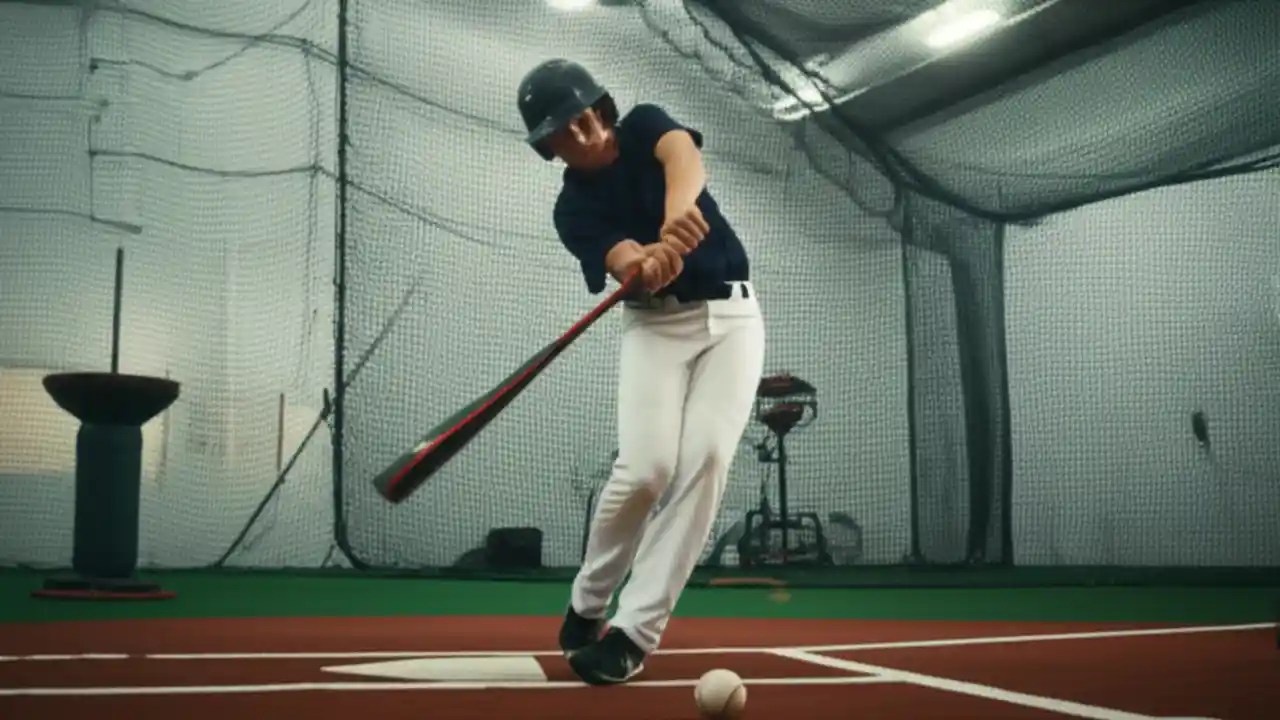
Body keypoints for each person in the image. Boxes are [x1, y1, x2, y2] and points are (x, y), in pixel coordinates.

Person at [516, 59, 766, 686]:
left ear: (599, 107)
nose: (582, 133)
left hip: (732, 321)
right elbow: (626, 261)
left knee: (705, 458)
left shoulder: (647, 123)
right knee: (646, 469)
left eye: (583, 117)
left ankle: (633, 634)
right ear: (550, 146)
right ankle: (588, 602)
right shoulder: (571, 211)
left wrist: (676, 220)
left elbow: (684, 160)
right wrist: (642, 262)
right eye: (562, 132)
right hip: (656, 329)